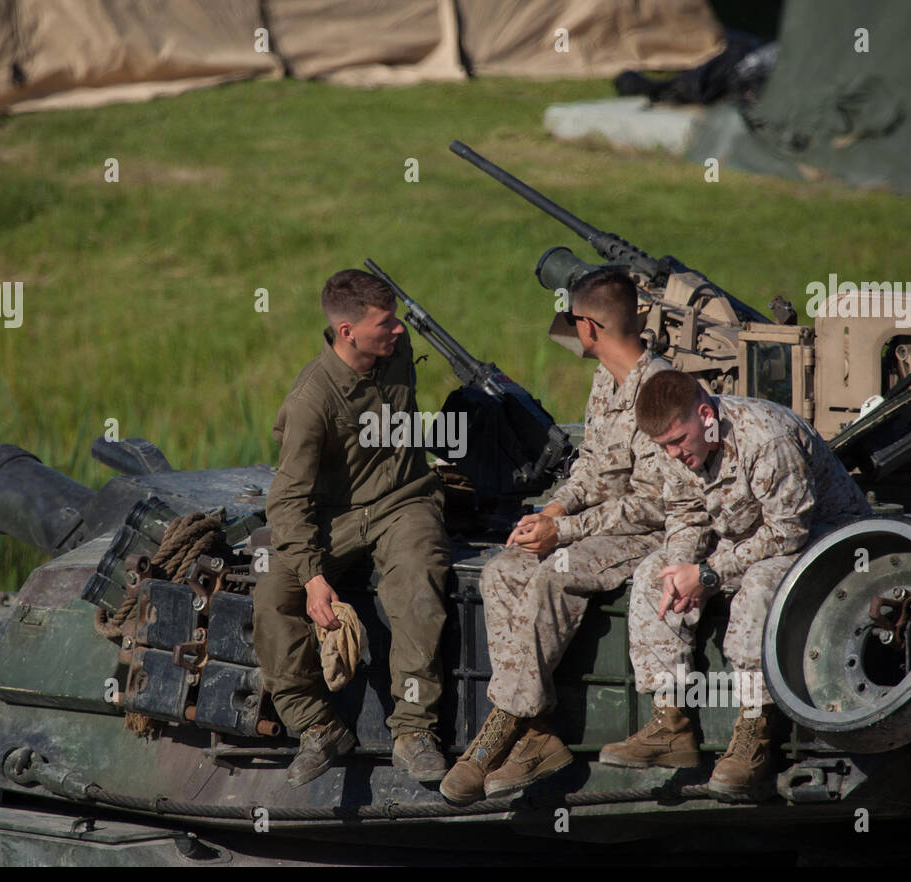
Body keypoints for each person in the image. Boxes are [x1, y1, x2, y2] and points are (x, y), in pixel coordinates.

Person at [440, 269, 672, 805]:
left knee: (552, 576)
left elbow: (653, 504)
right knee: (503, 569)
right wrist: (551, 509)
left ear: (587, 326)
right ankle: (539, 734)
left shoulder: (659, 391)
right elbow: (592, 465)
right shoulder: (605, 381)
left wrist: (562, 531)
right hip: (597, 524)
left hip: (647, 532)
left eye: (572, 322)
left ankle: (497, 731)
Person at [601, 369, 871, 801]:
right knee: (657, 573)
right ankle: (670, 722)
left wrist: (708, 573)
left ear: (705, 415)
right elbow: (686, 514)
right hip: (747, 536)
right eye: (662, 446)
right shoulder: (681, 450)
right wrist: (682, 567)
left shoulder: (767, 438)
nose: (671, 455)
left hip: (825, 538)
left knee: (760, 586)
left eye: (676, 442)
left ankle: (754, 731)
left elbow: (788, 533)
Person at [252, 269, 450, 787]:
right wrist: (314, 577)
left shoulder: (396, 352)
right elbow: (288, 499)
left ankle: (414, 731)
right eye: (386, 323)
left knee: (418, 581)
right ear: (347, 333)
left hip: (404, 499)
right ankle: (317, 726)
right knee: (274, 593)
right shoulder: (311, 401)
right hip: (332, 516)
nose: (399, 331)